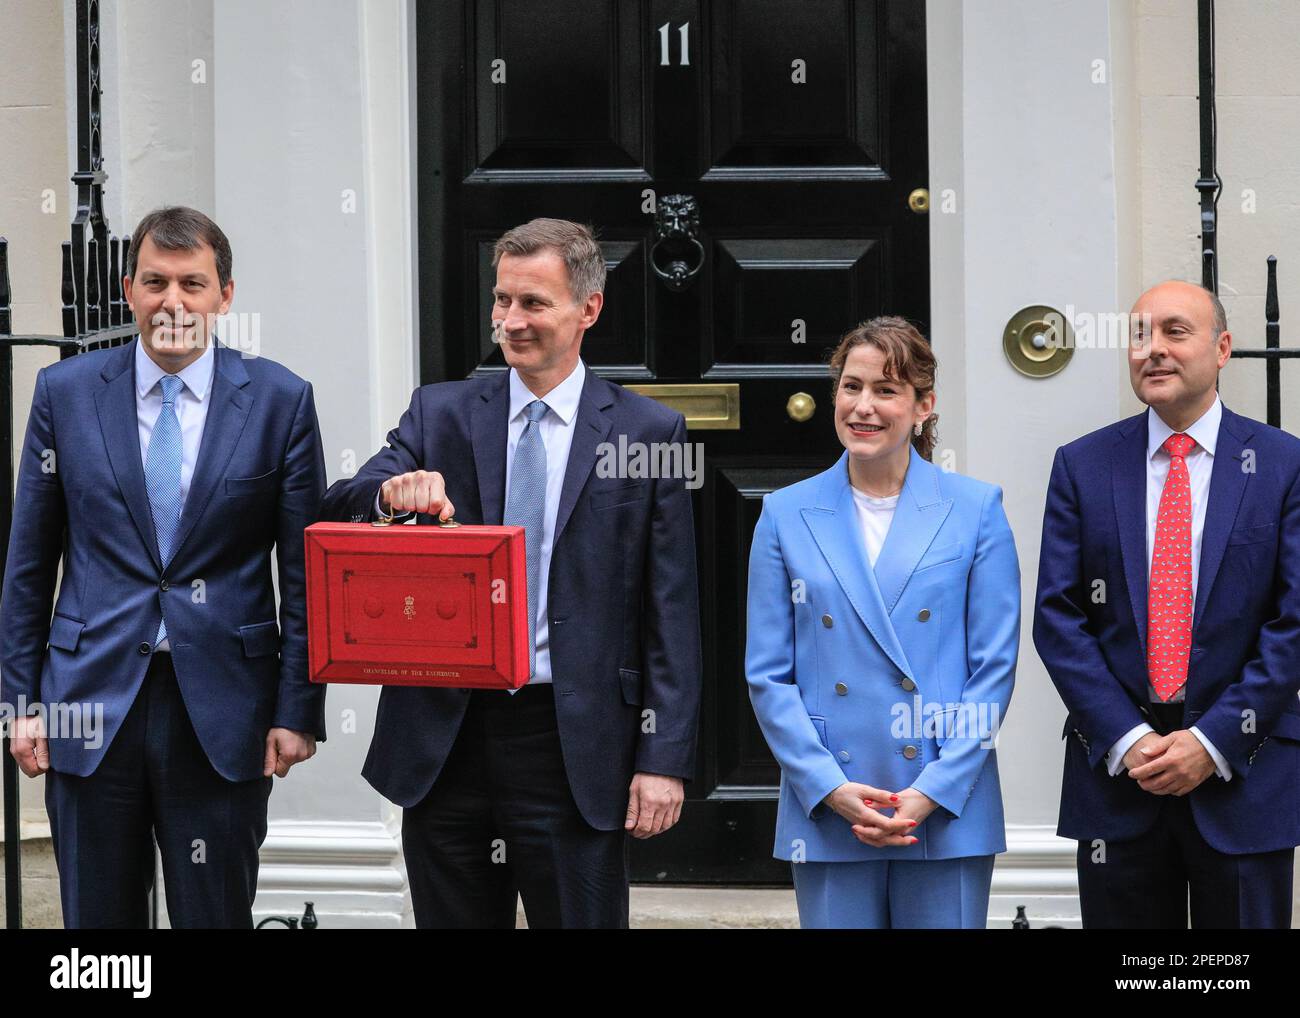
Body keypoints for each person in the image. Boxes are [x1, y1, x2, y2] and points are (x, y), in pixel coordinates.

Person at [318, 218, 702, 929]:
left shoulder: (648, 434)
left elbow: (670, 609)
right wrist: (389, 494)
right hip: (446, 739)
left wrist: (664, 757)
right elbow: (342, 500)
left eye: (533, 303)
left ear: (588, 309)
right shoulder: (443, 412)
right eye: (502, 302)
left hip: (573, 743)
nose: (510, 321)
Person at [0, 206, 327, 928]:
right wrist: (19, 700)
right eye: (155, 282)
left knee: (212, 914)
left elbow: (303, 576)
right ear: (128, 290)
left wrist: (297, 708)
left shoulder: (279, 402)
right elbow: (30, 562)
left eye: (192, 283)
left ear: (225, 296)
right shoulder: (67, 394)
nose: (172, 302)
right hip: (88, 702)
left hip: (223, 710)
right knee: (99, 933)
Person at [1034, 280, 1300, 928]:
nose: (1152, 349)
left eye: (1175, 332)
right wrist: (1127, 739)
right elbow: (1058, 616)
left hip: (1246, 773)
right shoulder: (1084, 465)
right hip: (1119, 781)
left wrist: (1210, 742)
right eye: (1139, 334)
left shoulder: (1282, 464)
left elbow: (1292, 621)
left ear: (1223, 348)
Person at [745, 317, 1019, 928]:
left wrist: (934, 789)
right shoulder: (786, 514)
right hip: (829, 799)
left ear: (924, 406)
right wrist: (828, 786)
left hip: (947, 801)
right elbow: (768, 674)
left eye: (887, 390)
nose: (863, 407)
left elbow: (993, 669)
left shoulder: (976, 509)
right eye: (851, 387)